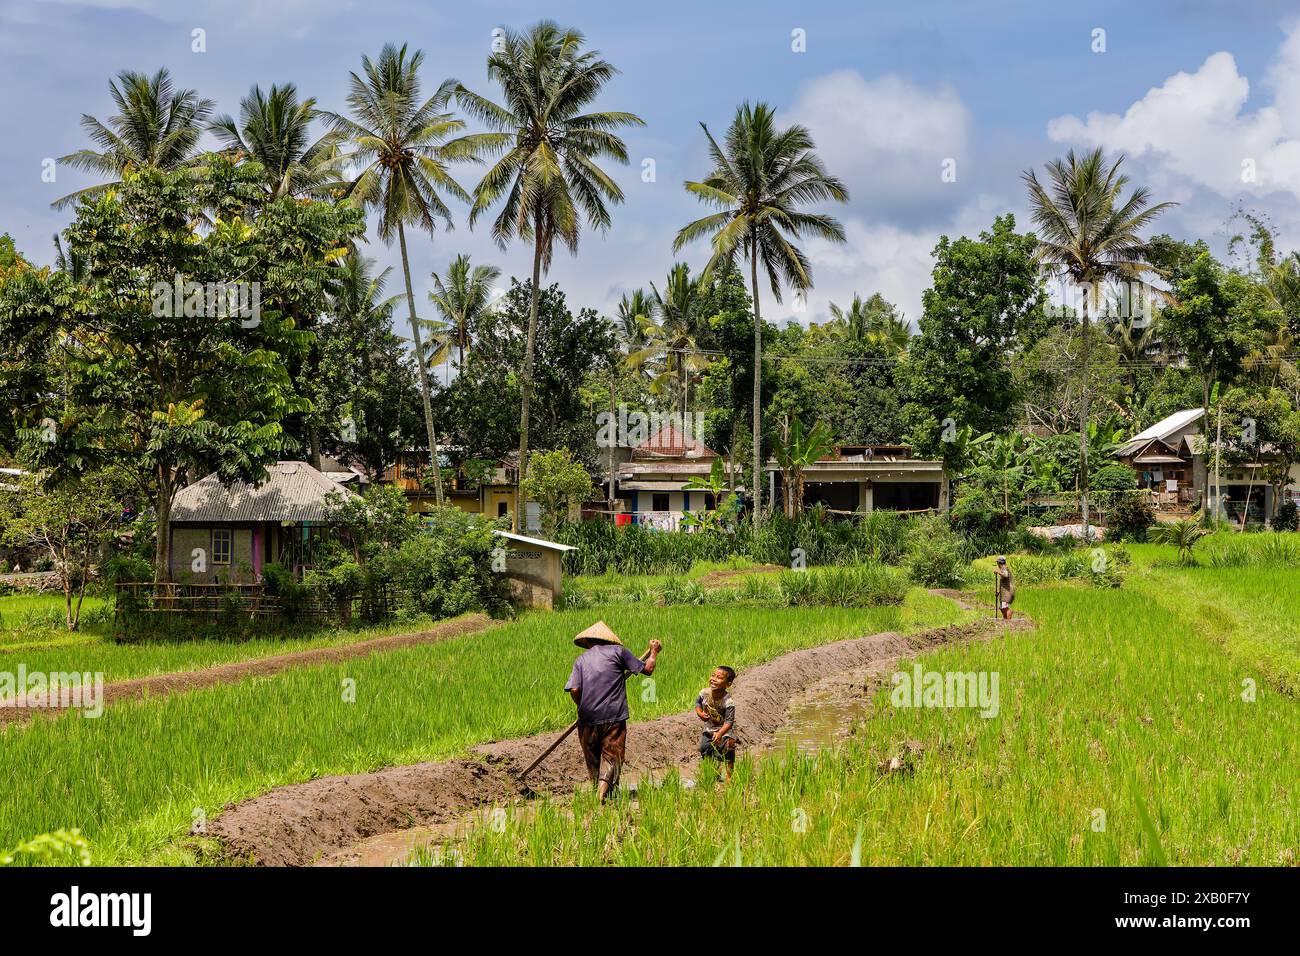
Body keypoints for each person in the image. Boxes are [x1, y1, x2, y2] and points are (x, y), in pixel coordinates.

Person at [565, 620, 661, 803]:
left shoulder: (581, 660)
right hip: (612, 715)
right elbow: (647, 669)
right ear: (609, 641)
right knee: (612, 756)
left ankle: (600, 794)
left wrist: (583, 706)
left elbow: (575, 690)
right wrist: (654, 651)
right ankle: (602, 795)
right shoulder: (618, 652)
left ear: (588, 642)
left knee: (593, 760)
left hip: (586, 717)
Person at [695, 665, 737, 779]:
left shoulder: (728, 701)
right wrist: (700, 713)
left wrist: (720, 733)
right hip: (709, 728)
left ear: (727, 684)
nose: (713, 679)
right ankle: (713, 774)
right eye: (713, 675)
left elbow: (729, 721)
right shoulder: (704, 693)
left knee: (729, 747)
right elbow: (697, 703)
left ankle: (729, 777)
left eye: (719, 677)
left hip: (724, 730)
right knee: (705, 749)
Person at [995, 556, 1015, 620]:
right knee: (1002, 607)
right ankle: (1005, 620)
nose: (997, 564)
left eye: (997, 563)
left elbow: (1006, 575)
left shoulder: (1004, 568)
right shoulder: (1002, 569)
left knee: (1004, 607)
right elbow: (1003, 583)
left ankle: (1008, 621)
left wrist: (998, 572)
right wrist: (998, 591)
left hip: (1007, 593)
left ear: (999, 562)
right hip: (1004, 593)